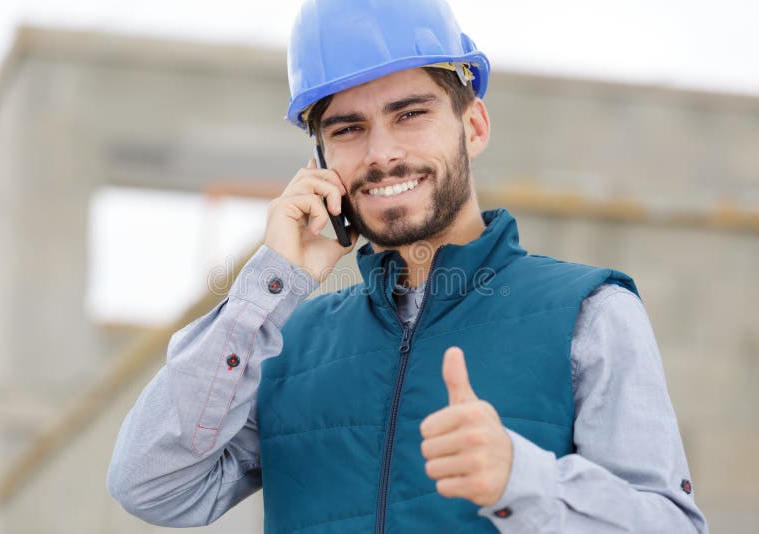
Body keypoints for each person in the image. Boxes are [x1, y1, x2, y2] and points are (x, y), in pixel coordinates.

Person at [107, 1, 709, 532]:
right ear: (320, 162)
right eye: (348, 129)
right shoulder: (285, 342)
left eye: (410, 114)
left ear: (473, 126)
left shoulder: (590, 313)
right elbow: (149, 484)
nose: (382, 153)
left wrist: (520, 480)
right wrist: (271, 282)